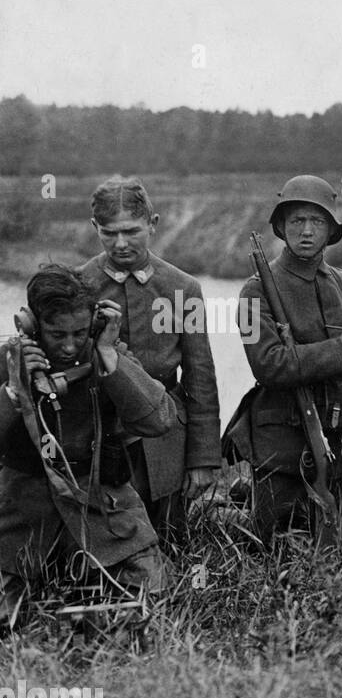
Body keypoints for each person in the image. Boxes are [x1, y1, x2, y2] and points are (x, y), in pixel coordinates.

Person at [0, 265, 175, 627]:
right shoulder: (9, 362)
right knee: (8, 615)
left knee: (150, 596)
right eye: (56, 333)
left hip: (104, 511)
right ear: (31, 325)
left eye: (80, 332)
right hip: (23, 514)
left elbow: (159, 420)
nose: (68, 345)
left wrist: (108, 355)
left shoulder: (109, 355)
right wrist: (14, 393)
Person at [227, 175, 342, 544]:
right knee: (279, 548)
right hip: (283, 447)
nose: (306, 230)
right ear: (281, 227)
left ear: (331, 230)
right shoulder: (255, 291)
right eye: (297, 220)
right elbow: (268, 365)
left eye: (317, 221)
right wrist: (340, 349)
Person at [76, 175, 221, 544]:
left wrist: (203, 457)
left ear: (152, 225)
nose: (120, 243)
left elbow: (200, 375)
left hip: (165, 437)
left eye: (131, 231)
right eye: (108, 233)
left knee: (170, 538)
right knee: (103, 537)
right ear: (95, 228)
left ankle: (172, 601)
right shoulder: (79, 286)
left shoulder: (183, 288)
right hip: (98, 434)